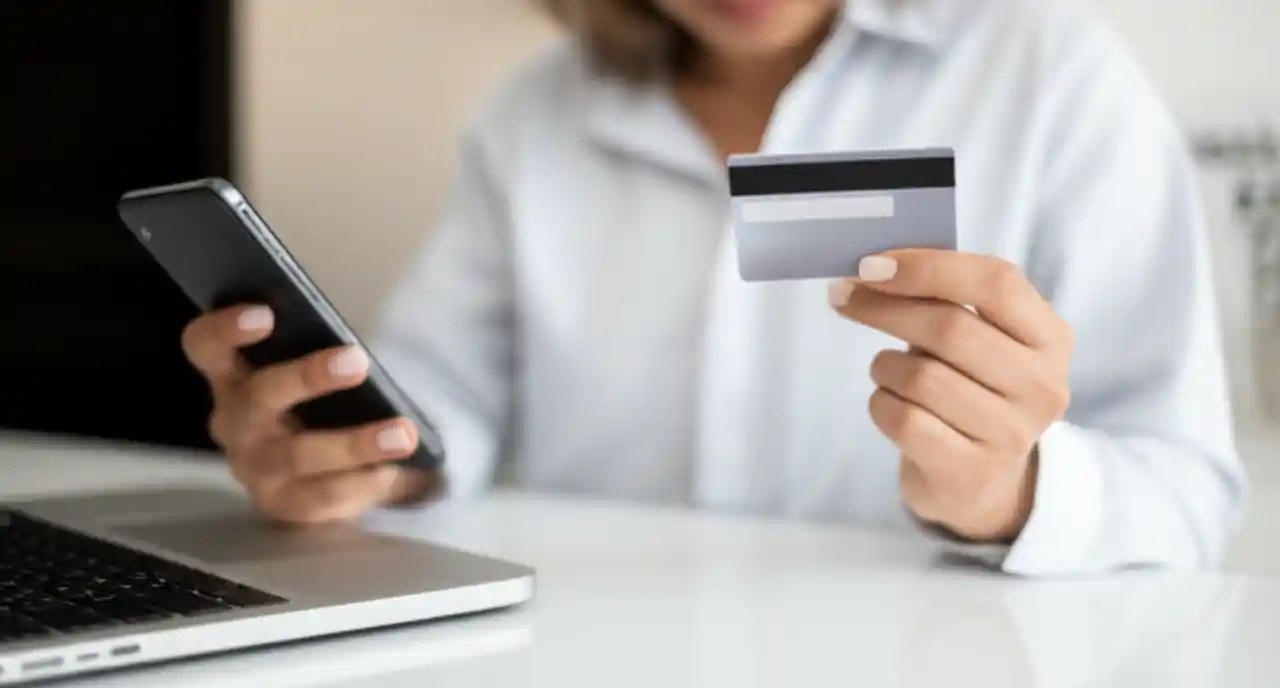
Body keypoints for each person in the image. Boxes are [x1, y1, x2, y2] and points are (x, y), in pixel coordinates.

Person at [179, 0, 1246, 575]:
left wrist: (1002, 494)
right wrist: (357, 457)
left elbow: (1187, 493)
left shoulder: (1050, 72)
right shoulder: (532, 116)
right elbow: (442, 405)